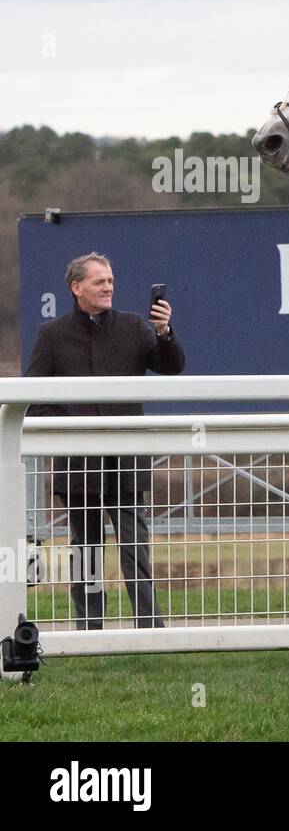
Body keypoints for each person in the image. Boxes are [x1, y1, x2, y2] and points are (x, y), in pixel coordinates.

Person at [24, 252, 185, 630]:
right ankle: (90, 631)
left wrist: (164, 332)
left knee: (136, 550)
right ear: (76, 287)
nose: (108, 287)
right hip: (79, 465)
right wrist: (75, 430)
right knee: (87, 552)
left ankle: (150, 629)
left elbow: (172, 366)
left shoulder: (133, 326)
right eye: (99, 281)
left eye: (111, 280)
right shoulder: (51, 335)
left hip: (126, 461)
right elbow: (34, 404)